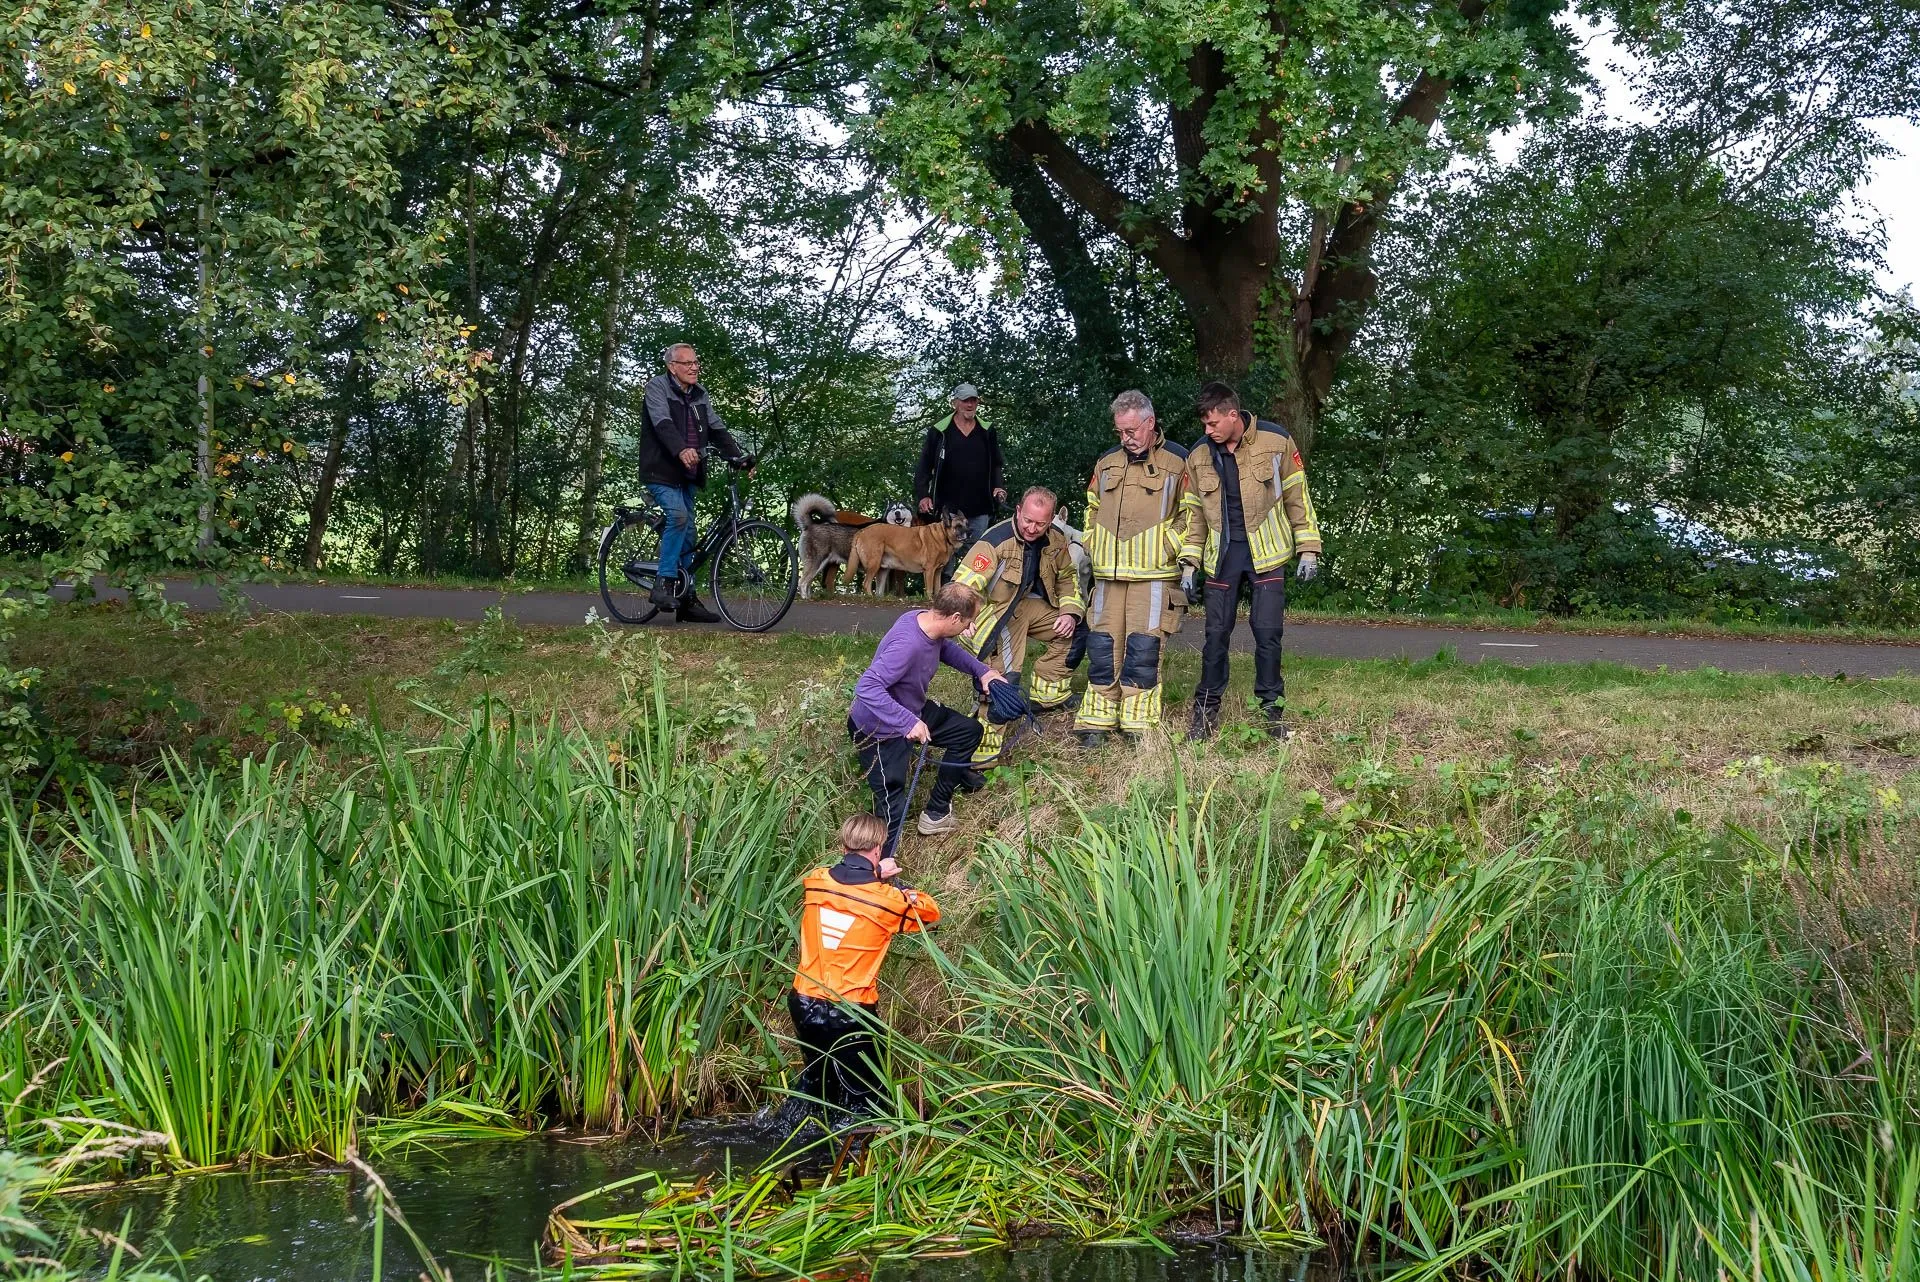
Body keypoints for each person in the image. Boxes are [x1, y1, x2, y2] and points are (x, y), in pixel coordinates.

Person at [1179, 382, 1321, 740]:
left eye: (1212, 424)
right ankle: (1206, 711)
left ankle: (1272, 711)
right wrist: (1189, 562)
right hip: (1222, 557)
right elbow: (1193, 514)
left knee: (1268, 633)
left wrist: (1308, 548)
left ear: (1232, 414)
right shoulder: (1197, 455)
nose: (1207, 431)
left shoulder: (1276, 441)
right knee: (1215, 637)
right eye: (1204, 425)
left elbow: (1297, 496)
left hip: (1267, 554)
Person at [788, 812, 941, 1126]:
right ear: (878, 849)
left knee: (818, 1089)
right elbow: (929, 911)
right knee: (864, 1099)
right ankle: (854, 1156)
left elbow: (844, 884)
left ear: (844, 845)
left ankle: (797, 1141)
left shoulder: (816, 882)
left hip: (803, 1002)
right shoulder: (887, 901)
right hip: (850, 1010)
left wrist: (873, 875)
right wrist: (891, 883)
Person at [1072, 391, 1198, 748]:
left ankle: (1137, 721)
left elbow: (1193, 515)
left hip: (1154, 577)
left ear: (1150, 423)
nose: (1126, 438)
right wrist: (1093, 542)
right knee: (1101, 645)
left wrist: (1169, 549)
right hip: (1109, 577)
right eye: (1120, 431)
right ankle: (1097, 716)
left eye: (1131, 430)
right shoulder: (1107, 462)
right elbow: (1092, 507)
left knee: (1142, 650)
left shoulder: (1179, 462)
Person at [848, 583, 1008, 840]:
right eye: (969, 621)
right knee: (892, 807)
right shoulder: (908, 645)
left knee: (967, 732)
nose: (969, 627)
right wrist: (907, 722)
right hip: (880, 729)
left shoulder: (922, 620)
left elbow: (946, 649)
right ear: (955, 618)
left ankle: (936, 813)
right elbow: (866, 687)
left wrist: (983, 671)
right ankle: (877, 869)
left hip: (912, 710)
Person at [952, 487, 1085, 768]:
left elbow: (1067, 577)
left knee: (1077, 631)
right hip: (992, 615)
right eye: (1027, 520)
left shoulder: (1057, 540)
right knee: (1003, 684)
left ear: (1051, 521)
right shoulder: (995, 541)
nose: (1032, 528)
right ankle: (981, 760)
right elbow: (965, 584)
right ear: (1018, 511)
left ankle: (1047, 697)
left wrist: (1070, 612)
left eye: (1040, 523)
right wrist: (963, 616)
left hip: (1027, 607)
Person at [638, 342, 754, 621]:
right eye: (687, 363)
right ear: (672, 367)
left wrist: (739, 457)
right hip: (661, 471)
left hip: (689, 473)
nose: (694, 367)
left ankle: (686, 597)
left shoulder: (700, 395)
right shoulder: (657, 387)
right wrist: (681, 449)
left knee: (690, 535)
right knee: (678, 517)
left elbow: (716, 430)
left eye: (696, 363)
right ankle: (663, 583)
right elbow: (662, 423)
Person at [912, 383, 1007, 578]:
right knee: (944, 555)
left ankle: (971, 598)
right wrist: (923, 495)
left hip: (980, 505)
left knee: (978, 554)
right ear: (955, 403)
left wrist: (998, 487)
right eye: (965, 400)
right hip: (948, 506)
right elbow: (924, 466)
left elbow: (996, 463)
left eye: (973, 400)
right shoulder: (940, 431)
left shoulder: (986, 430)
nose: (970, 404)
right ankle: (944, 599)